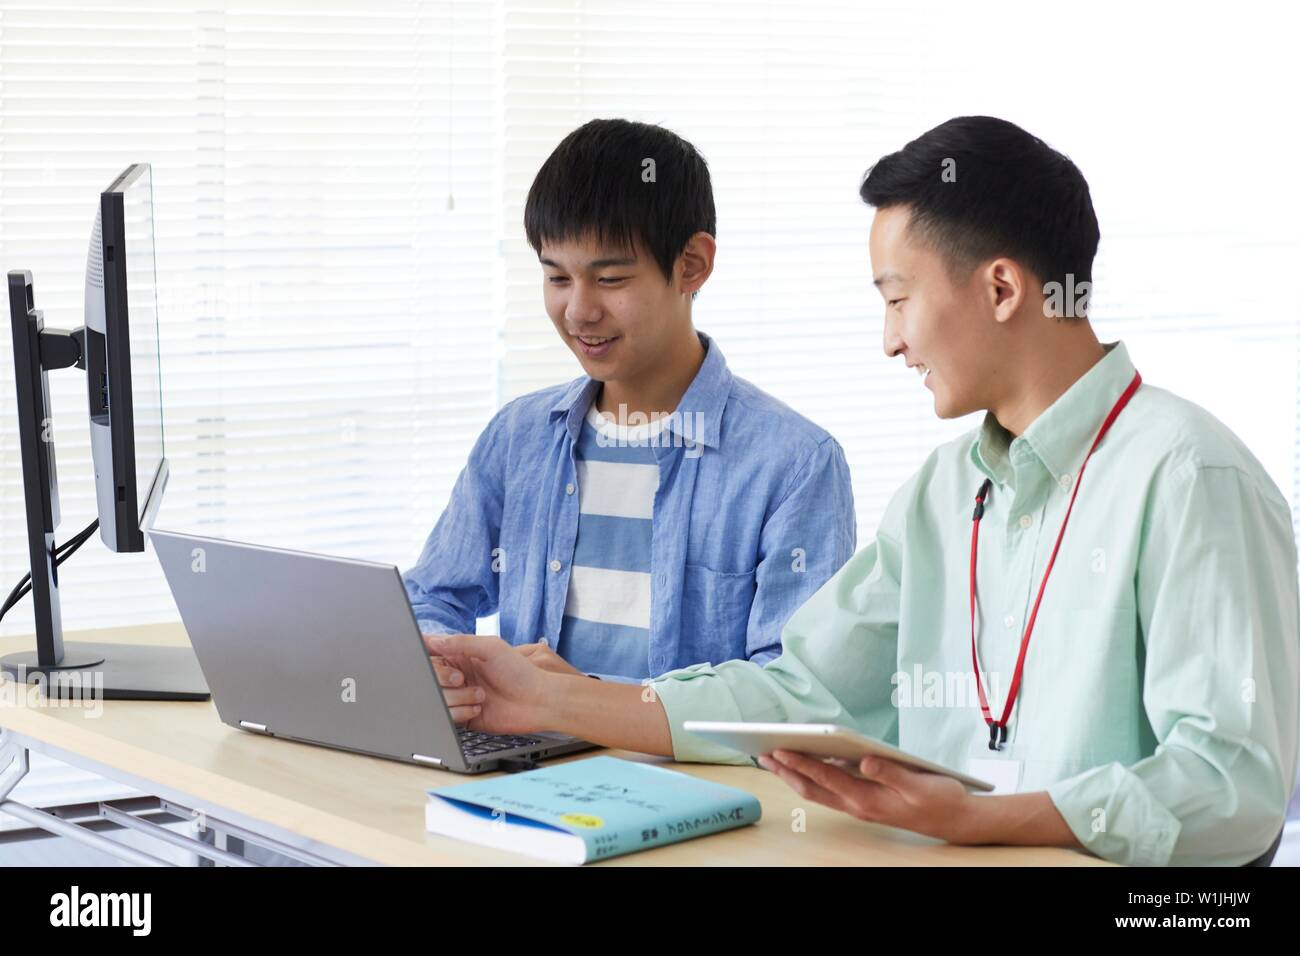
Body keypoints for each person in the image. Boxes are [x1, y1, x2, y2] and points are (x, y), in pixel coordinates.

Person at [425, 116, 1300, 866]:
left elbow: (1234, 784)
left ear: (1000, 287)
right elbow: (802, 690)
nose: (890, 342)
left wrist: (984, 821)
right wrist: (546, 698)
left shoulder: (1189, 478)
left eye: (898, 299)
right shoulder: (946, 491)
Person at [404, 118, 855, 684]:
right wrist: (440, 664)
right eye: (557, 278)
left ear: (692, 265)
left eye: (610, 279)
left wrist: (580, 702)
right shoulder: (519, 437)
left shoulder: (793, 464)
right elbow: (432, 596)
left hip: (690, 773)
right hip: (520, 767)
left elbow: (793, 688)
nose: (578, 311)